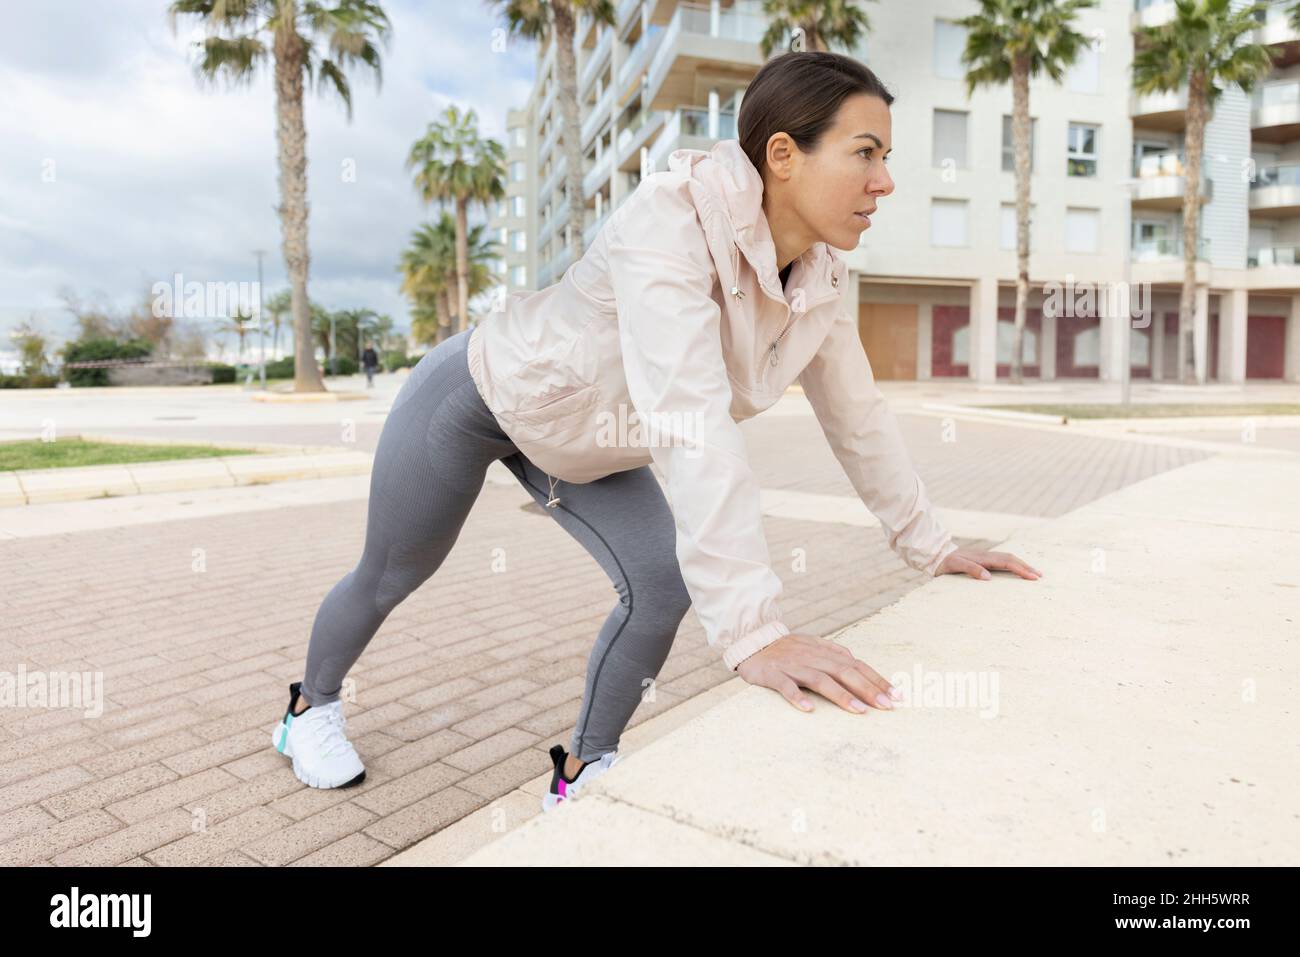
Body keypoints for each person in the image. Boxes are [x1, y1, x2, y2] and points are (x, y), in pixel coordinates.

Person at [270, 52, 1042, 806]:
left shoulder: (820, 277)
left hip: (590, 441)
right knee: (392, 573)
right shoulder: (668, 223)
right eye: (865, 152)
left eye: (888, 156)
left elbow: (858, 416)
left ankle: (581, 768)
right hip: (479, 395)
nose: (886, 180)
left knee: (662, 583)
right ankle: (309, 710)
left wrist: (931, 544)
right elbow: (690, 418)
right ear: (783, 155)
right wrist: (754, 631)